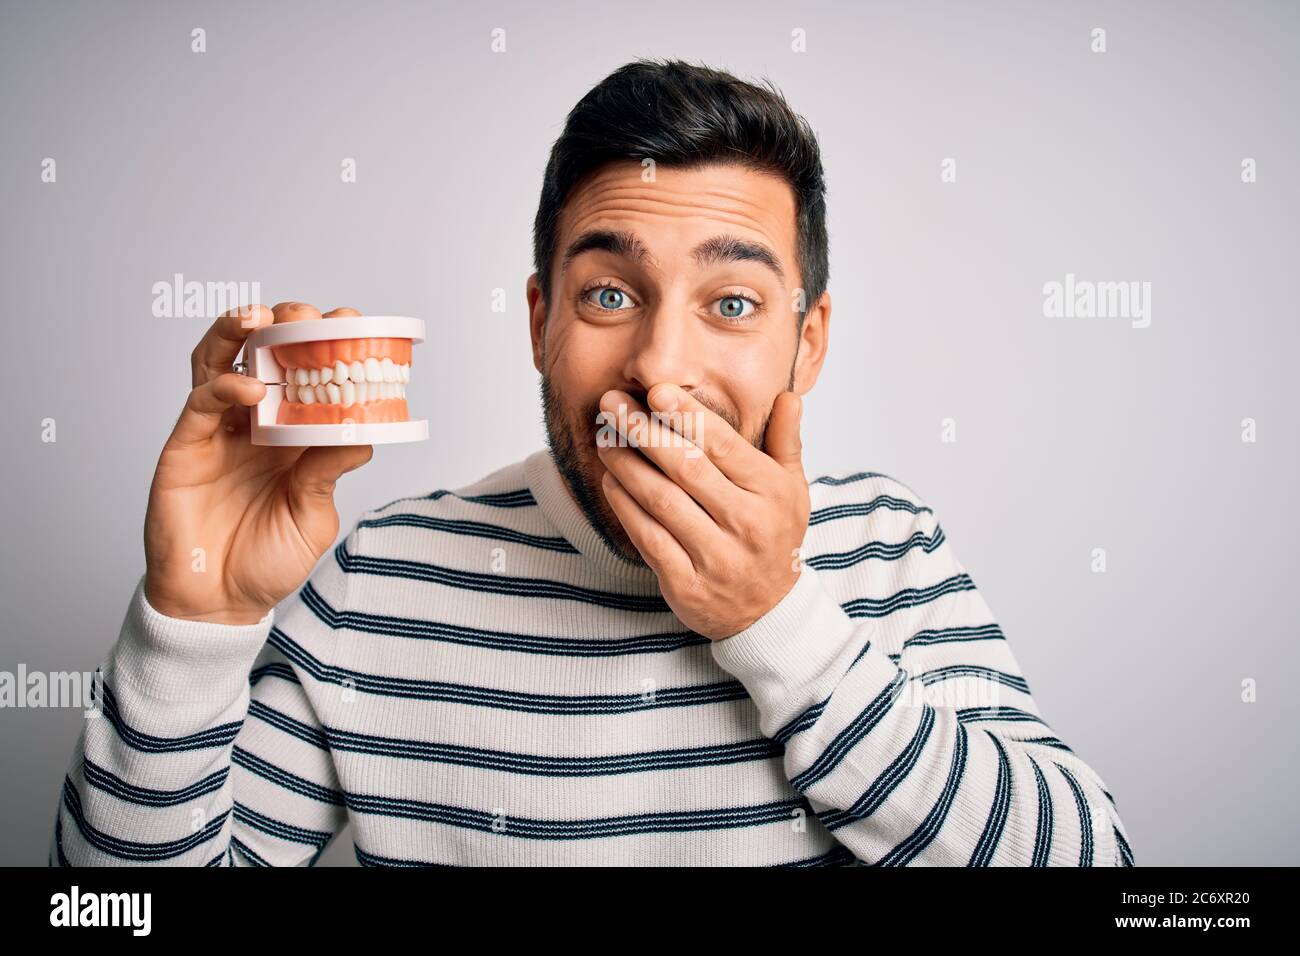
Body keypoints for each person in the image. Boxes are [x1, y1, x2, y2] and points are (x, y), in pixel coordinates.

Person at [51, 58, 1134, 867]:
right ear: (541, 323)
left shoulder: (888, 548)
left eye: (733, 303)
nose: (659, 367)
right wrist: (191, 623)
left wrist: (779, 625)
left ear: (807, 342)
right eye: (610, 294)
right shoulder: (378, 582)